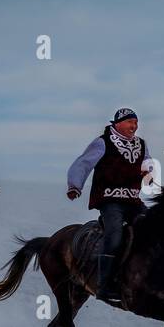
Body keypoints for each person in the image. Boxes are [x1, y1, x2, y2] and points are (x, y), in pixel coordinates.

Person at [66, 107, 156, 303]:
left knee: (154, 228)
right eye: (130, 122)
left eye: (136, 122)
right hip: (109, 200)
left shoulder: (141, 144)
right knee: (114, 235)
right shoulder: (103, 142)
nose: (135, 126)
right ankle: (104, 285)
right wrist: (74, 185)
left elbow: (147, 161)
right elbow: (84, 163)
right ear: (118, 123)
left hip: (133, 200)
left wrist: (148, 173)